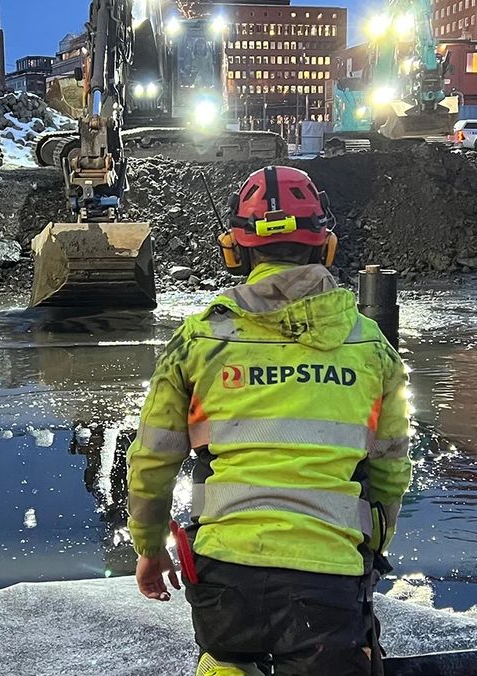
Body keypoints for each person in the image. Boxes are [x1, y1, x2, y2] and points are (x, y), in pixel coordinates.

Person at [127, 166, 412, 676]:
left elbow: (152, 458)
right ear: (325, 246)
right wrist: (368, 550)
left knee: (226, 663)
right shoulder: (372, 347)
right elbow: (390, 472)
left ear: (234, 250)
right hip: (329, 578)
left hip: (224, 575)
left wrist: (149, 547)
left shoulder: (198, 341)